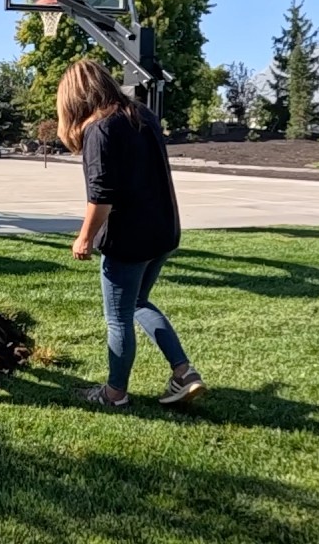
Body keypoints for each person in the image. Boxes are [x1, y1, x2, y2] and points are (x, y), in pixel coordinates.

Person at [57, 56, 205, 408]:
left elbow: (101, 196)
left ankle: (114, 394)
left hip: (129, 240)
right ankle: (184, 373)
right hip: (163, 231)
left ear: (74, 99)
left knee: (118, 317)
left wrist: (84, 237)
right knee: (137, 302)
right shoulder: (142, 116)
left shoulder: (100, 129)